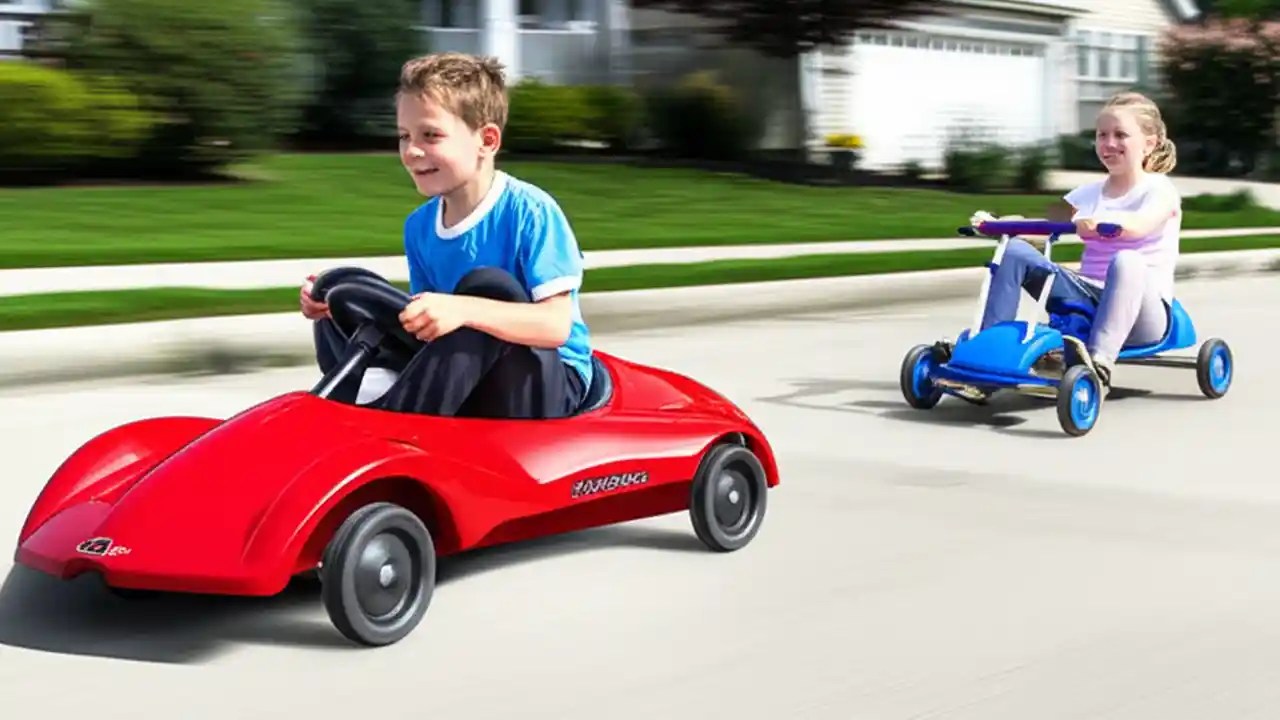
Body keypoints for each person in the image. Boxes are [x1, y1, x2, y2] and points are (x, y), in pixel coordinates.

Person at [299, 52, 594, 418]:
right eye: (404, 136)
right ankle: (347, 407)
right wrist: (333, 304)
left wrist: (464, 309)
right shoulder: (420, 227)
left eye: (431, 135)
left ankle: (400, 425)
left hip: (546, 384)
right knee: (342, 288)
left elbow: (555, 326)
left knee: (490, 286)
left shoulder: (530, 212)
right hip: (470, 373)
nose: (412, 151)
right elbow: (424, 326)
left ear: (486, 140)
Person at [957, 91, 1182, 389]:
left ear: (1149, 144)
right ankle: (987, 353)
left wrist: (1098, 224)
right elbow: (1044, 225)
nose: (1109, 144)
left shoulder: (1159, 189)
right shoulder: (1085, 195)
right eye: (1102, 135)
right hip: (1088, 301)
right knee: (1015, 251)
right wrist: (1000, 225)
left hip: (1145, 316)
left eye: (1120, 135)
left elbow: (1140, 225)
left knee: (1127, 260)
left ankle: (1100, 364)